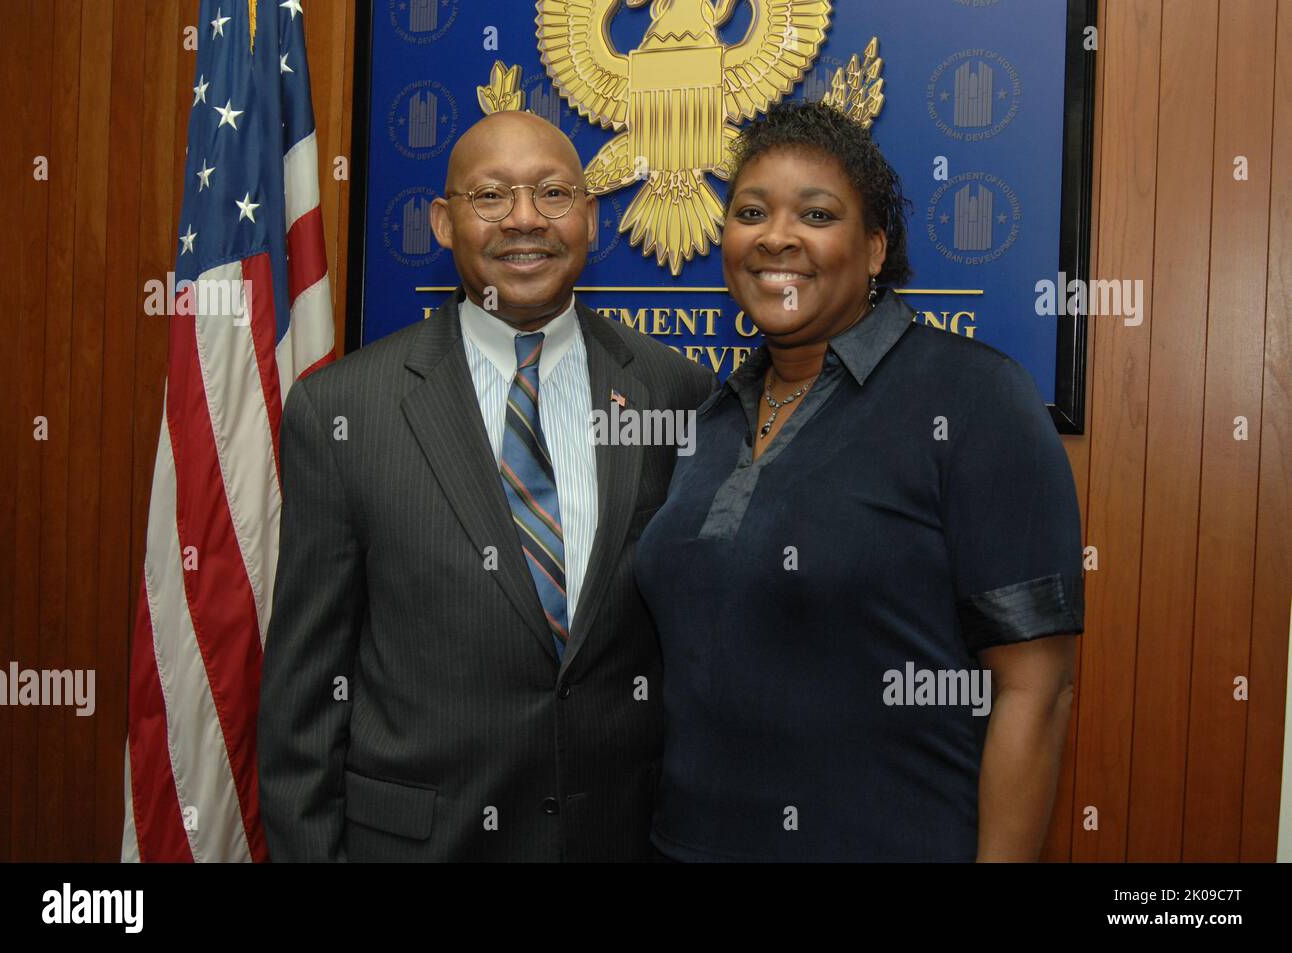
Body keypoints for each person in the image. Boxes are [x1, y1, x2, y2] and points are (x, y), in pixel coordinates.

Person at [258, 110, 716, 862]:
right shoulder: (343, 410)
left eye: (554, 194)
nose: (525, 219)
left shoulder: (675, 393)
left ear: (591, 219)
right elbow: (305, 693)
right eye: (491, 196)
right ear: (443, 222)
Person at [636, 100, 1084, 862]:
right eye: (751, 211)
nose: (776, 236)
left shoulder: (974, 398)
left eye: (815, 213)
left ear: (875, 249)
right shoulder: (710, 417)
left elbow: (1036, 692)